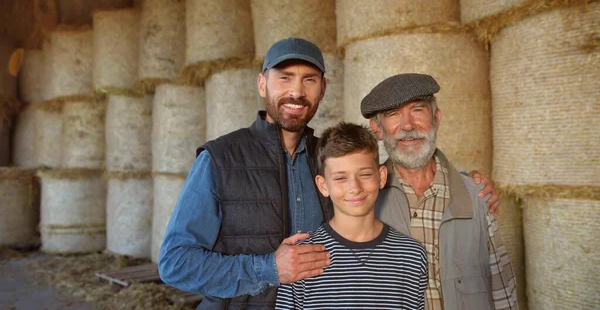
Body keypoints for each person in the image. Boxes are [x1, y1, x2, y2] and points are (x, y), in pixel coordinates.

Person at [158, 38, 499, 309]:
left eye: (309, 80)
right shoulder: (221, 158)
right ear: (262, 84)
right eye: (284, 78)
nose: (296, 91)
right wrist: (269, 269)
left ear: (322, 89)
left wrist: (465, 183)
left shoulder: (329, 158)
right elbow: (175, 263)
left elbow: (391, 169)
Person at [362, 73, 519, 310]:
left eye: (418, 110)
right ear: (378, 129)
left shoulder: (475, 196)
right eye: (393, 114)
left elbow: (502, 289)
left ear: (436, 118)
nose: (407, 125)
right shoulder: (363, 200)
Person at [275, 122, 428, 309]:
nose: (355, 188)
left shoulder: (411, 255)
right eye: (340, 178)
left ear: (381, 177)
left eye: (364, 174)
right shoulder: (300, 257)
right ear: (323, 185)